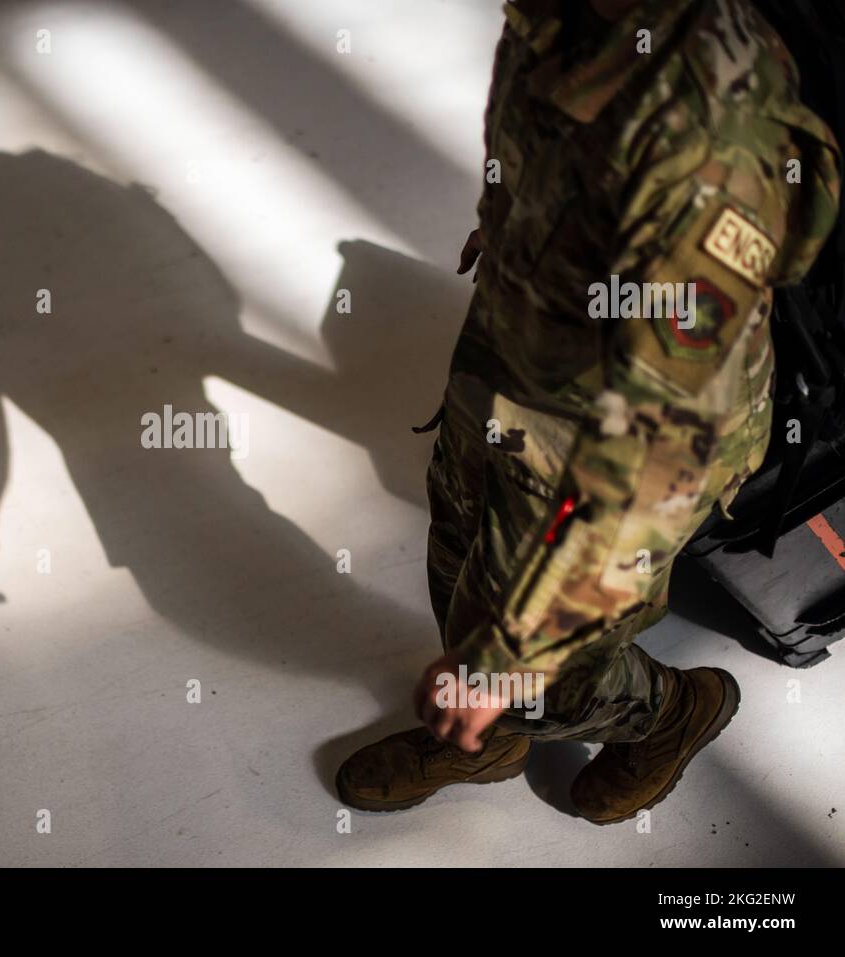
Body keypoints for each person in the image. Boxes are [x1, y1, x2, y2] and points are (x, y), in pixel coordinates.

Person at [337, 0, 840, 823]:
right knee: (459, 538)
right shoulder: (558, 15)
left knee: (548, 668)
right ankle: (491, 735)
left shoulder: (705, 127)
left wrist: (506, 659)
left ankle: (671, 714)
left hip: (629, 443)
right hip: (516, 354)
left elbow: (662, 452)